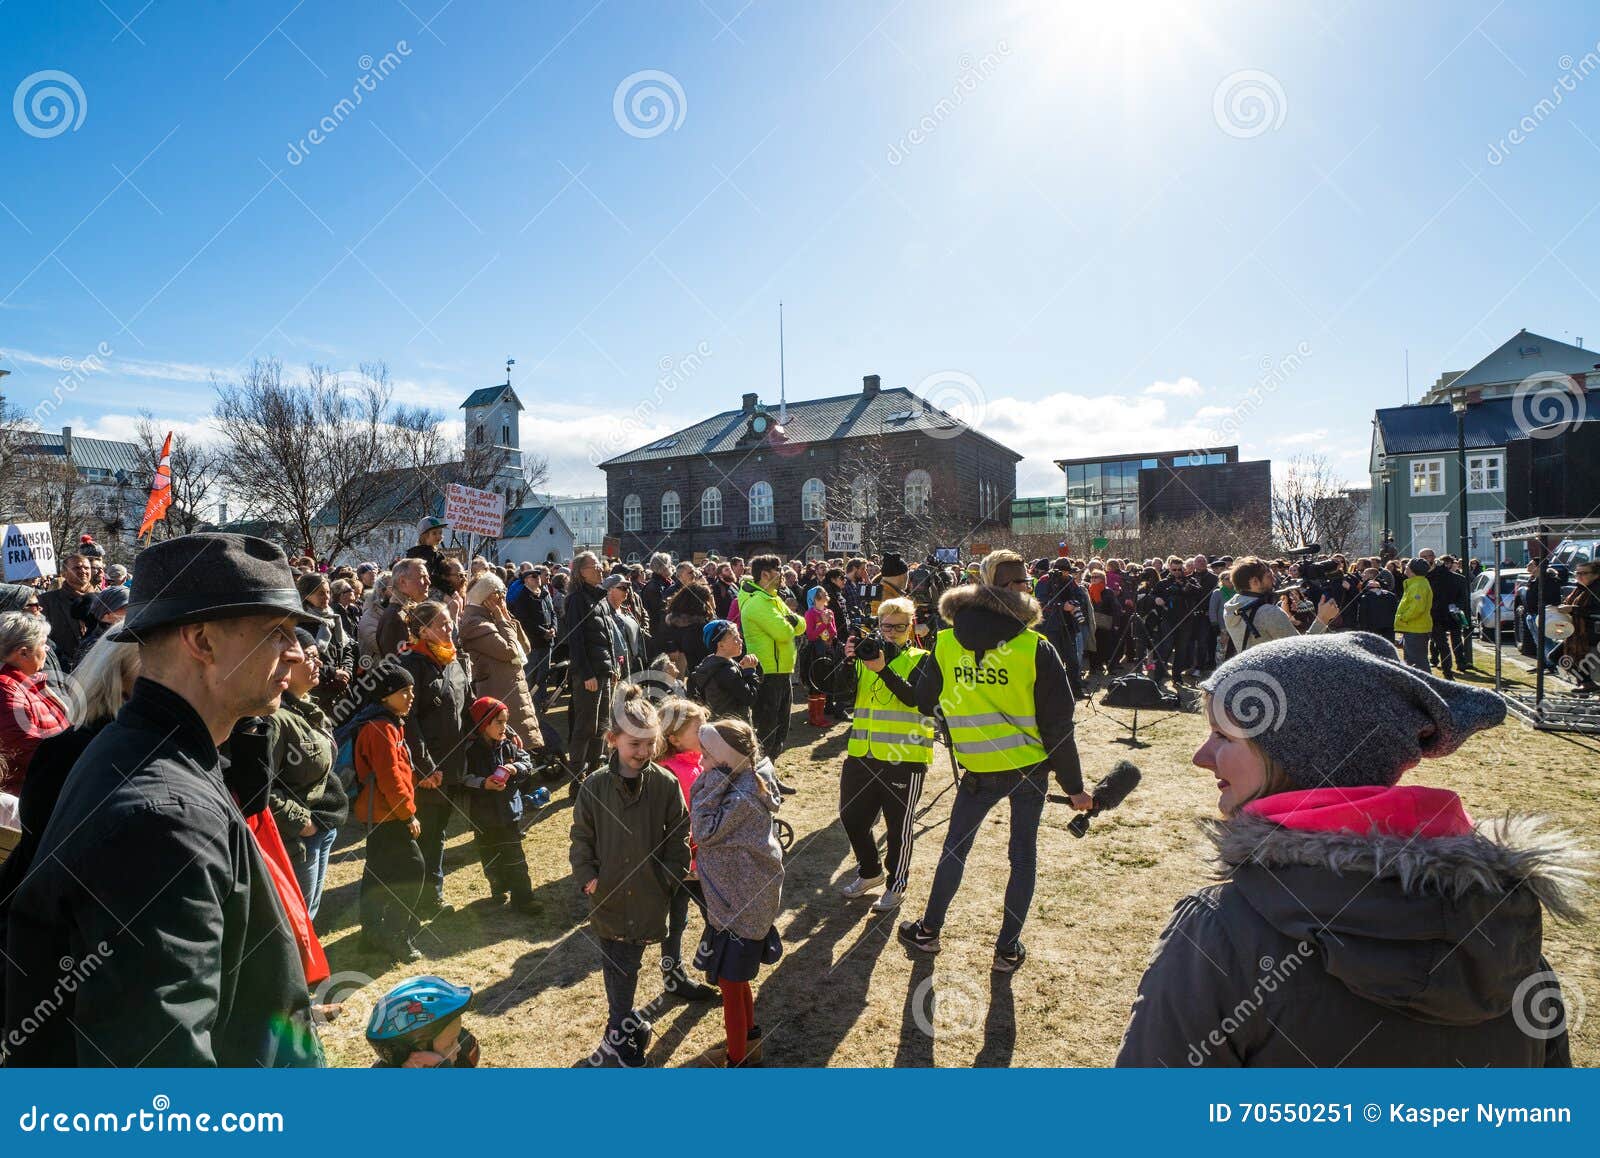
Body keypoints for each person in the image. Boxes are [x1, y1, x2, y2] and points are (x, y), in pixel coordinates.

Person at [1116, 631, 1578, 1066]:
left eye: (1223, 735)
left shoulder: (1224, 929)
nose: (1200, 755)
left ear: (1302, 753)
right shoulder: (1505, 923)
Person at [3, 532, 324, 1066]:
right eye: (277, 632)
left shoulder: (147, 748)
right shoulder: (165, 818)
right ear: (201, 641)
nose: (296, 651)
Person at [898, 550, 1091, 972]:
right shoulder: (1034, 647)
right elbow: (1059, 725)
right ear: (1009, 589)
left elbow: (926, 701)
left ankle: (929, 931)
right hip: (1028, 769)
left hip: (978, 768)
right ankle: (1007, 948)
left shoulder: (947, 642)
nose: (1029, 588)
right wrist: (1075, 789)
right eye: (1023, 582)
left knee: (956, 850)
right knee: (1022, 856)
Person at [570, 688, 690, 1067]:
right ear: (613, 739)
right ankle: (621, 1034)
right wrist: (588, 874)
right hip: (609, 895)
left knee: (627, 964)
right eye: (634, 743)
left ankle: (622, 1027)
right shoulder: (594, 787)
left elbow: (680, 835)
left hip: (651, 894)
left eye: (650, 744)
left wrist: (670, 875)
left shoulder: (666, 784)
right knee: (620, 965)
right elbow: (581, 837)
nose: (643, 752)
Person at [0, 635, 138, 959]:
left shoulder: (40, 686)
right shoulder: (77, 748)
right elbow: (22, 742)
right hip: (58, 937)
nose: (47, 649)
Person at [691, 718, 785, 1068]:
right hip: (740, 902)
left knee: (731, 985)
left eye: (707, 755)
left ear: (728, 759)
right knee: (737, 980)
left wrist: (713, 781)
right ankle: (749, 1042)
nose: (701, 761)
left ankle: (738, 1061)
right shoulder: (743, 780)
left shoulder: (742, 794)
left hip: (741, 906)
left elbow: (702, 829)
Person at [832, 596, 933, 913]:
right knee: (851, 816)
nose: (889, 633)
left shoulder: (925, 658)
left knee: (898, 827)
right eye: (884, 626)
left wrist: (884, 669)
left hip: (905, 757)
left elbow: (916, 700)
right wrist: (848, 662)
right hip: (862, 752)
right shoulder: (866, 656)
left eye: (897, 628)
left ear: (910, 627)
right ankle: (870, 871)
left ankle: (896, 884)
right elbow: (840, 691)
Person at [399, 600, 473, 919]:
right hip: (428, 769)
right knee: (427, 835)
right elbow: (408, 721)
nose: (450, 627)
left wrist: (499, 727)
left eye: (450, 622)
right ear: (422, 629)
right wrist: (424, 766)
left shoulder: (454, 660)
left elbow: (468, 706)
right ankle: (424, 899)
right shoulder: (411, 665)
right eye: (442, 623)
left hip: (452, 764)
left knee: (438, 831)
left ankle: (429, 895)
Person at [265, 630, 346, 921]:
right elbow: (261, 788)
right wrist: (302, 823)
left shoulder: (306, 706)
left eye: (317, 657)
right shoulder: (275, 717)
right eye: (308, 658)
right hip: (299, 838)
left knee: (308, 914)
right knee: (297, 920)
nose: (317, 664)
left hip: (321, 826)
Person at [654, 697, 720, 1003]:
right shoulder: (667, 772)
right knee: (676, 921)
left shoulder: (700, 762)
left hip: (704, 856)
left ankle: (712, 963)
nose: (705, 732)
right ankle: (674, 976)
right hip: (682, 862)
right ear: (674, 738)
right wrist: (687, 858)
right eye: (698, 728)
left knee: (716, 916)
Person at [460, 696, 538, 913]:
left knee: (515, 857)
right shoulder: (470, 751)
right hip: (483, 815)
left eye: (506, 721)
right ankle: (498, 888)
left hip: (508, 812)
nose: (505, 727)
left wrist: (516, 769)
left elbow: (527, 763)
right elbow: (463, 778)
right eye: (499, 722)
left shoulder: (510, 745)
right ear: (484, 724)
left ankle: (523, 898)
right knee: (490, 855)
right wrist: (483, 783)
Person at [459, 573, 543, 751]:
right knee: (507, 749)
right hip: (499, 693)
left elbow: (525, 647)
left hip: (513, 690)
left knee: (520, 750)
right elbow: (510, 651)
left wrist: (505, 618)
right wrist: (501, 620)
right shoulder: (475, 623)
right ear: (485, 595)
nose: (504, 595)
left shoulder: (494, 617)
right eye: (499, 591)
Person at [737, 554, 806, 764]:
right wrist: (791, 622)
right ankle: (760, 776)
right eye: (778, 571)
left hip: (782, 670)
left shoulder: (773, 599)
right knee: (767, 728)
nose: (782, 575)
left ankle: (770, 773)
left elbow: (802, 624)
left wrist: (792, 621)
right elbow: (784, 633)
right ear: (765, 574)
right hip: (767, 672)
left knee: (781, 728)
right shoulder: (758, 602)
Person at [0, 610, 71, 792]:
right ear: (23, 653)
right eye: (43, 644)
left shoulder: (28, 681)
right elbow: (26, 749)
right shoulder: (5, 689)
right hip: (26, 795)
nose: (47, 649)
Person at [563, 551, 616, 781]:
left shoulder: (600, 598)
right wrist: (586, 673)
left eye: (599, 565)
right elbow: (576, 640)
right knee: (585, 727)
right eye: (594, 566)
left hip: (603, 671)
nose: (600, 569)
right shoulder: (577, 599)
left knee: (602, 726)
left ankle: (596, 774)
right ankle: (577, 779)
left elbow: (607, 637)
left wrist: (612, 667)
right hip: (589, 674)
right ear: (581, 573)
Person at [1220, 556, 1338, 654]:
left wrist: (1284, 613)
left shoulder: (1231, 607)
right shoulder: (1269, 612)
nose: (1274, 581)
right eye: (1269, 577)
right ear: (1254, 582)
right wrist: (1323, 619)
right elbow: (1301, 650)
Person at [366, 976, 480, 1068]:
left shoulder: (464, 1048)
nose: (459, 1047)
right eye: (449, 1045)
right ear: (413, 1055)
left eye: (457, 1036)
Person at [298, 571, 355, 714]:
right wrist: (332, 672)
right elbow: (301, 661)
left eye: (328, 592)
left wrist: (346, 671)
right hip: (317, 692)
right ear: (306, 595)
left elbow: (346, 648)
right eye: (320, 593)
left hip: (340, 692)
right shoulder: (300, 623)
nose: (327, 597)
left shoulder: (333, 618)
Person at [688, 619, 762, 724]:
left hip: (718, 724)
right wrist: (750, 671)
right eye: (735, 638)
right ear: (721, 645)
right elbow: (749, 698)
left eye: (739, 637)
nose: (740, 641)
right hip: (732, 727)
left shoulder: (710, 664)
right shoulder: (725, 671)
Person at [39, 550, 96, 671]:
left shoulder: (103, 599)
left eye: (87, 568)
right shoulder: (46, 601)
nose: (83, 571)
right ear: (64, 573)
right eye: (76, 568)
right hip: (60, 670)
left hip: (96, 668)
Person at [375, 558, 429, 660]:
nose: (428, 582)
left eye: (428, 577)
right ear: (403, 582)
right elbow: (398, 666)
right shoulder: (395, 618)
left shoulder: (406, 611)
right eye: (422, 577)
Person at [802, 586, 839, 728]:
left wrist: (828, 623)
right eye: (823, 593)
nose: (826, 594)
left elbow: (834, 632)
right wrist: (823, 624)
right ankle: (814, 717)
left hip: (828, 650)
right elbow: (810, 635)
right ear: (816, 597)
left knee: (825, 683)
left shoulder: (829, 612)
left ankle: (820, 715)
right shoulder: (810, 613)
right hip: (815, 651)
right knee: (815, 683)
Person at [1394, 557, 1434, 672]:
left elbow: (1417, 608)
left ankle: (1425, 685)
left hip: (1415, 628)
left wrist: (1403, 618)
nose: (1405, 567)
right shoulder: (1416, 583)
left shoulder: (1418, 585)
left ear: (1412, 570)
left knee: (1417, 661)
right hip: (1414, 627)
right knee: (1413, 660)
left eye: (1407, 566)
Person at [74, 584, 130, 665]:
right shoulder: (92, 645)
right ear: (106, 613)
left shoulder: (127, 636)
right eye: (126, 607)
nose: (131, 611)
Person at [407, 515, 450, 582]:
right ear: (424, 536)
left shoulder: (412, 552)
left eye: (440, 533)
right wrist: (450, 590)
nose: (439, 536)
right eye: (434, 533)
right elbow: (431, 576)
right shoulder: (430, 555)